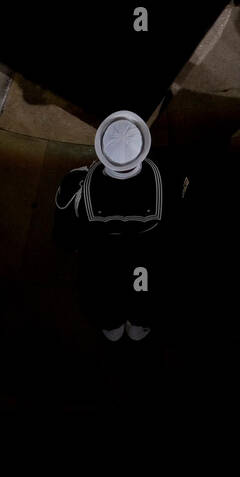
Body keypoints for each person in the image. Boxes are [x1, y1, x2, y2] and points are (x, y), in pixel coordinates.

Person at [54, 110, 183, 342]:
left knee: (102, 295)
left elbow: (65, 237)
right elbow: (176, 230)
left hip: (100, 261)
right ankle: (140, 323)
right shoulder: (168, 180)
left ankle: (110, 324)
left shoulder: (76, 183)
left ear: (102, 151)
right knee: (145, 294)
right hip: (146, 261)